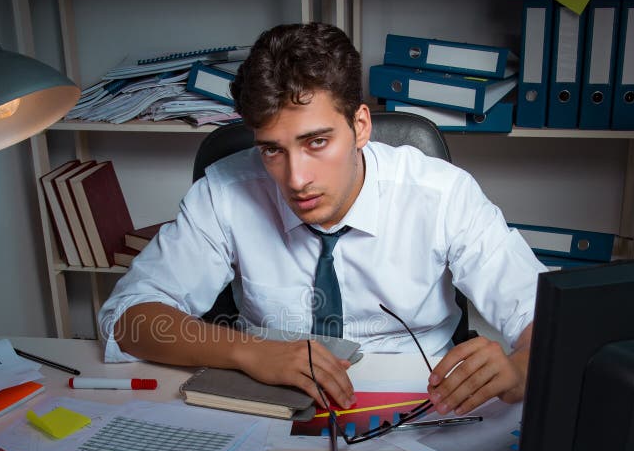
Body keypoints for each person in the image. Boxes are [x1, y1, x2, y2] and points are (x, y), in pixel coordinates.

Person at [98, 22, 545, 417]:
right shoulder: (225, 192)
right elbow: (128, 320)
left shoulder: (441, 194)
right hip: (267, 398)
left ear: (361, 126)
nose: (296, 179)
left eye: (316, 142)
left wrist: (520, 370)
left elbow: (544, 317)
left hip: (419, 398)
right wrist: (251, 352)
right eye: (272, 150)